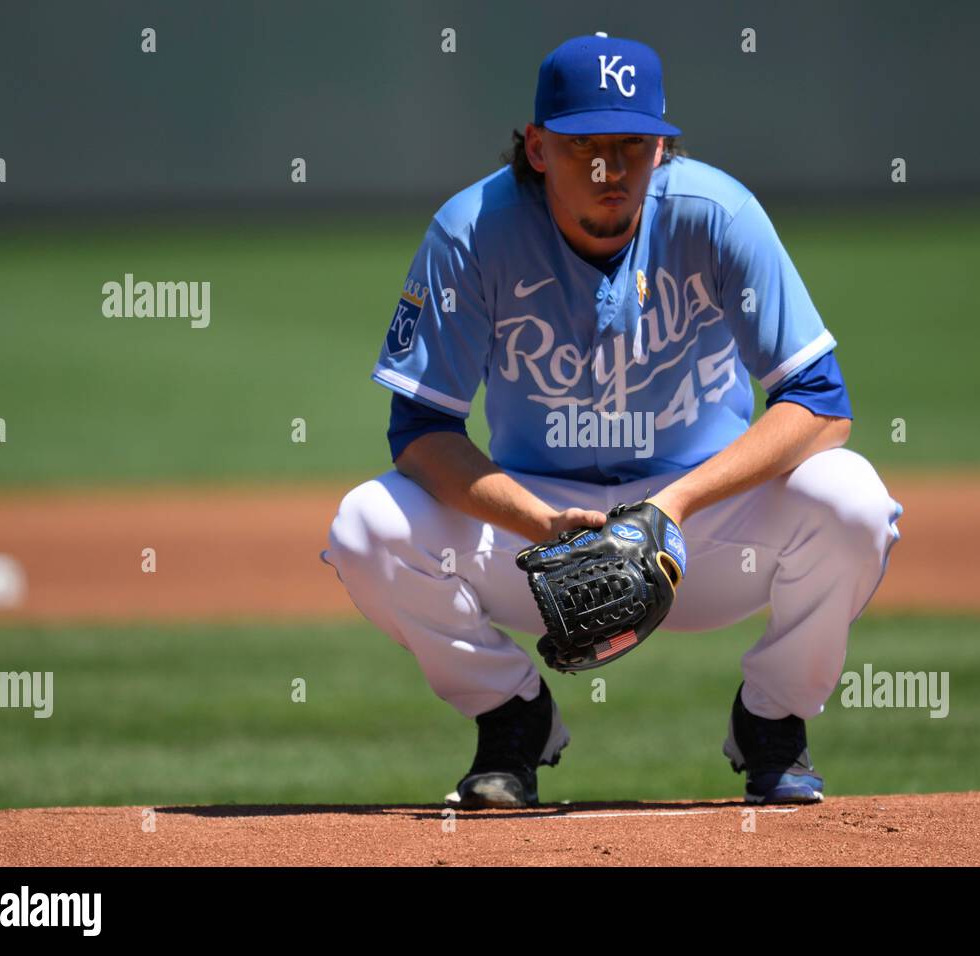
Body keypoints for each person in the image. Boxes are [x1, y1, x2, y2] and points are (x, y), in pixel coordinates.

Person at [324, 33, 902, 809]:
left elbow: (821, 405)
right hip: (539, 531)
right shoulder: (471, 232)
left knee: (852, 499)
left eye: (632, 144)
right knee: (366, 526)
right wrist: (536, 520)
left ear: (662, 149)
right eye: (582, 145)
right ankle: (511, 720)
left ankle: (774, 720)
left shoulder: (718, 214)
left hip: (700, 531)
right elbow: (421, 434)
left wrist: (671, 509)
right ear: (536, 147)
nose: (609, 167)